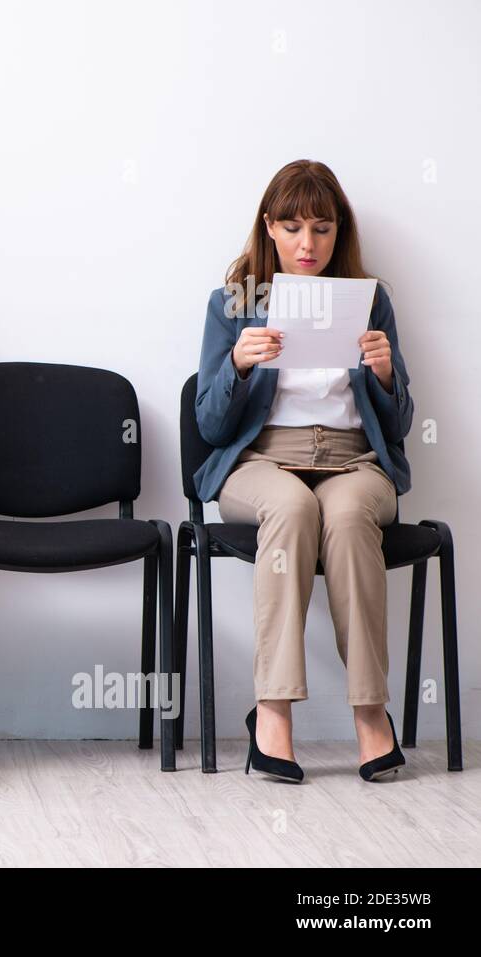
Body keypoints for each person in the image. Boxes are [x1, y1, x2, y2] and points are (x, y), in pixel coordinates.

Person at [194, 159, 413, 783]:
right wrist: (238, 364)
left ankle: (371, 715)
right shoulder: (233, 303)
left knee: (344, 517)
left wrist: (386, 375)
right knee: (292, 509)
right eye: (291, 228)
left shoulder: (370, 301)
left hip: (354, 459)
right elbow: (211, 427)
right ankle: (273, 716)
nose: (307, 244)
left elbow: (398, 424)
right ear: (269, 229)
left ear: (339, 230)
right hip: (260, 460)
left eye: (321, 227)